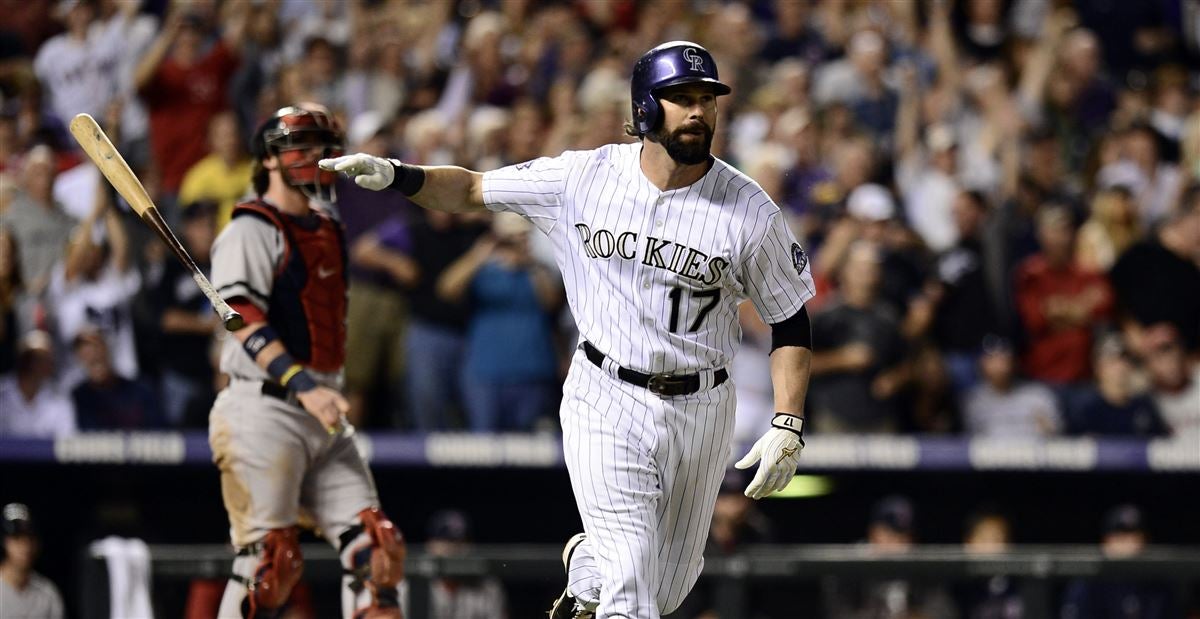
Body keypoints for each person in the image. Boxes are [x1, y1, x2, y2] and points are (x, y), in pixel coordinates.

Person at [323, 41, 816, 619]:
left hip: (703, 406)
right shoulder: (582, 176)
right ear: (645, 107)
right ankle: (607, 571)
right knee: (632, 595)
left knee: (667, 589)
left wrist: (788, 420)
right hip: (605, 393)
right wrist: (398, 175)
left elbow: (789, 318)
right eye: (681, 98)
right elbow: (474, 188)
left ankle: (588, 564)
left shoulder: (750, 209)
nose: (698, 112)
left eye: (706, 99)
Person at [207, 104, 403, 618]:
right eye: (302, 146)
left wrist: (317, 390)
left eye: (322, 146)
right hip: (264, 408)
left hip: (323, 409)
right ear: (269, 159)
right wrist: (303, 385)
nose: (316, 157)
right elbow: (244, 319)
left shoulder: (327, 225)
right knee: (268, 565)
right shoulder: (250, 228)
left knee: (378, 553)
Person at [438, 212, 563, 432]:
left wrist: (530, 263)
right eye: (510, 237)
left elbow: (551, 303)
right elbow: (447, 289)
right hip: (485, 371)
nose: (516, 241)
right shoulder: (484, 269)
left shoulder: (538, 269)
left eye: (522, 235)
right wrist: (479, 256)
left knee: (531, 446)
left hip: (532, 370)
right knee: (484, 444)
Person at [1060, 505, 1179, 618]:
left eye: (1134, 537)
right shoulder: (1089, 582)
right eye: (1120, 537)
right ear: (1106, 541)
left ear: (1146, 541)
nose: (1128, 544)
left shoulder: (1159, 582)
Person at [418, 510, 508, 619]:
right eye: (446, 540)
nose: (453, 549)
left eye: (461, 541)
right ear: (429, 545)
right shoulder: (413, 586)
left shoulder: (488, 587)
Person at [0, 330, 76, 438]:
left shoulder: (59, 398)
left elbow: (65, 439)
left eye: (45, 359)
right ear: (22, 359)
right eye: (34, 358)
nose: (38, 364)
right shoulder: (2, 392)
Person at [0, 503, 64, 619]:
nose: (25, 546)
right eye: (17, 538)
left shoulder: (47, 592)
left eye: (30, 538)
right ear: (4, 542)